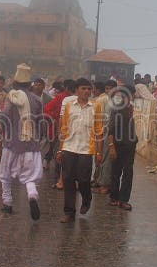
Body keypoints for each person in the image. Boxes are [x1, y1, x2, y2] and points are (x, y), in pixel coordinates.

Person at [0, 64, 43, 219]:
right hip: (31, 144)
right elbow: (39, 122)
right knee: (30, 176)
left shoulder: (11, 98)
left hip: (11, 144)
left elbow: (3, 117)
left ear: (15, 83)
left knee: (5, 175)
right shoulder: (37, 100)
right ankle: (32, 194)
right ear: (30, 84)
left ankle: (7, 203)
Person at [57, 78, 104, 223]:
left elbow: (98, 131)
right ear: (77, 90)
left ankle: (87, 198)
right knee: (68, 180)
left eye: (89, 89)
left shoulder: (95, 107)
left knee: (84, 180)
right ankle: (69, 212)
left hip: (86, 149)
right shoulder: (70, 106)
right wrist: (60, 150)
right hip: (69, 148)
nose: (87, 92)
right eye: (83, 89)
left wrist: (99, 152)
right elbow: (63, 129)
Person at [107, 84, 138, 211]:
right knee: (116, 172)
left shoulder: (129, 107)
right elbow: (110, 129)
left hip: (130, 145)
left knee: (128, 173)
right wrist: (112, 146)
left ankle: (123, 199)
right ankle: (115, 198)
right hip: (119, 145)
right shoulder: (118, 108)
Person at [44, 79, 76, 190]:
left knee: (59, 154)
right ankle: (62, 179)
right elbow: (47, 109)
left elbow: (47, 109)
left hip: (62, 130)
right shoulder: (61, 97)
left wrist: (54, 118)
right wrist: (55, 118)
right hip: (63, 130)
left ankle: (60, 179)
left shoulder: (61, 97)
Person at [91, 80, 113, 196]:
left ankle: (102, 183)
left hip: (104, 132)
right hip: (104, 132)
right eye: (107, 88)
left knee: (102, 158)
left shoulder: (103, 100)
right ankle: (99, 181)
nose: (108, 91)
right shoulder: (110, 100)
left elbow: (103, 119)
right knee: (102, 158)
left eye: (110, 88)